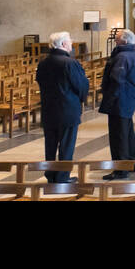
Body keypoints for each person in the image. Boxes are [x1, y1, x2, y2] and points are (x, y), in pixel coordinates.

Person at [35, 31, 90, 182]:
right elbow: (81, 85)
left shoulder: (43, 63)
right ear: (64, 44)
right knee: (66, 145)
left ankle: (51, 175)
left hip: (49, 109)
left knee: (50, 145)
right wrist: (81, 98)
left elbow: (40, 81)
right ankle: (62, 176)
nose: (72, 43)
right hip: (67, 110)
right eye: (70, 41)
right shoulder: (70, 63)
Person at [99, 28, 135, 178]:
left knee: (118, 135)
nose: (115, 40)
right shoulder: (131, 54)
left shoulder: (122, 57)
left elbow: (116, 80)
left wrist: (109, 100)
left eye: (117, 38)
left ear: (124, 40)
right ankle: (133, 160)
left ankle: (121, 168)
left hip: (119, 101)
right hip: (126, 99)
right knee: (127, 131)